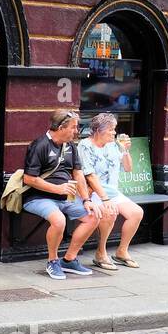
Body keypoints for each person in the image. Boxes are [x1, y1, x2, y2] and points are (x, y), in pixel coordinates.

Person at [21, 109, 102, 280]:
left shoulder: (71, 146)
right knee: (59, 220)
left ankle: (69, 259)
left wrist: (86, 199)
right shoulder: (40, 145)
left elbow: (78, 174)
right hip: (38, 197)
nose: (76, 131)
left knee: (93, 215)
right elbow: (29, 179)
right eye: (73, 127)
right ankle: (52, 261)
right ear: (60, 127)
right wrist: (57, 189)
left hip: (66, 197)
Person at [76, 113, 145, 270]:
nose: (114, 132)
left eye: (114, 129)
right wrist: (105, 199)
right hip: (92, 192)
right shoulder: (85, 145)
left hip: (112, 192)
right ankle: (101, 253)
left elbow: (128, 168)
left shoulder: (113, 145)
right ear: (98, 130)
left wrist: (126, 151)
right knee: (109, 213)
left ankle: (122, 251)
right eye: (111, 129)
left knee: (136, 213)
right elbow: (90, 176)